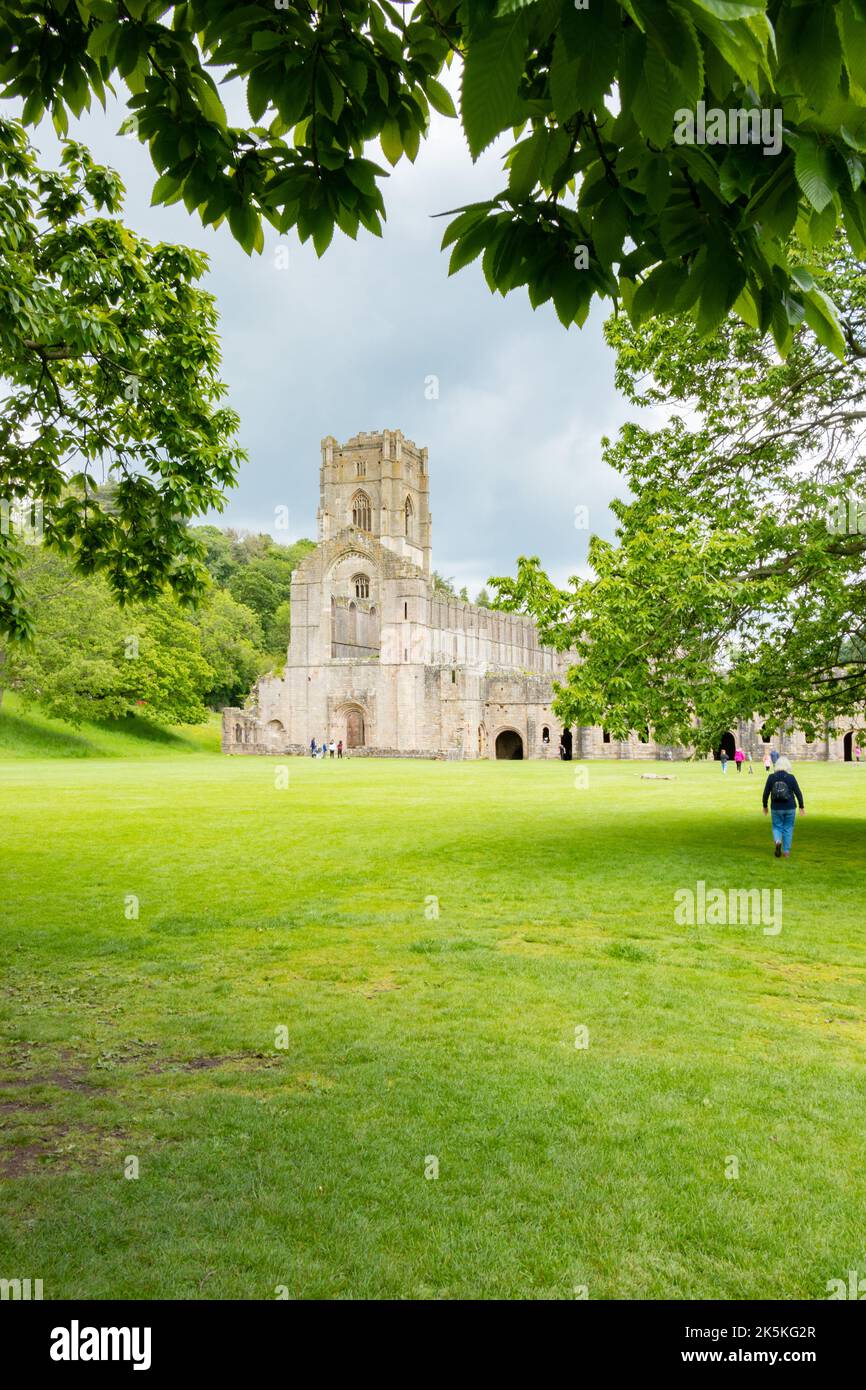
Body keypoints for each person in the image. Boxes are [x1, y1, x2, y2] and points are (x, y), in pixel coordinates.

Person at [762, 755, 804, 858]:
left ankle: (777, 841)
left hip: (776, 807)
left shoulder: (771, 777)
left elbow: (766, 793)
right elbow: (798, 792)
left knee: (777, 826)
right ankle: (786, 852)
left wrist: (765, 806)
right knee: (788, 828)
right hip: (790, 807)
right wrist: (801, 806)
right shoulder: (791, 777)